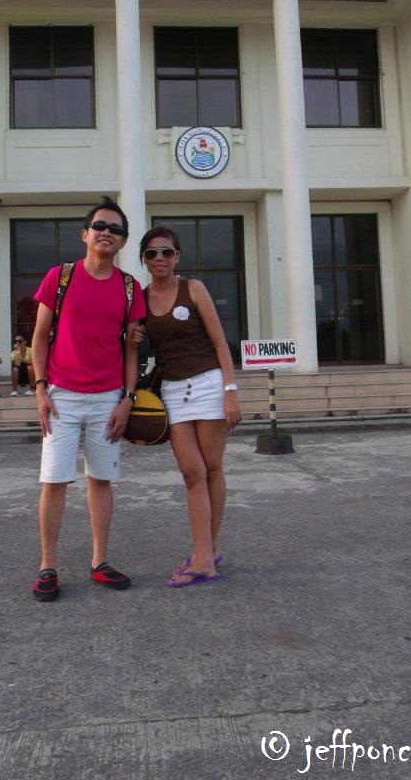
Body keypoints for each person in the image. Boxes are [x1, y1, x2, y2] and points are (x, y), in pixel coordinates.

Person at [30, 196, 146, 602]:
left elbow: (132, 349)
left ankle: (99, 561)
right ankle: (48, 565)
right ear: (85, 234)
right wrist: (41, 388)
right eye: (100, 226)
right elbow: (39, 338)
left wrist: (127, 399)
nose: (107, 233)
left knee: (101, 480)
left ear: (123, 240)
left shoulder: (130, 288)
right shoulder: (60, 277)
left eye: (116, 229)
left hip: (107, 399)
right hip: (61, 396)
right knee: (55, 481)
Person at [137, 225, 242, 588]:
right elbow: (141, 348)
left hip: (209, 385)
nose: (160, 258)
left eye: (166, 252)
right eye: (152, 253)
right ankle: (204, 553)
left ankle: (206, 554)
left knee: (212, 469)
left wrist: (230, 390)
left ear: (177, 256)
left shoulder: (193, 289)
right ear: (144, 259)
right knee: (192, 473)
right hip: (172, 391)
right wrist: (134, 336)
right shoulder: (142, 298)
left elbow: (219, 341)